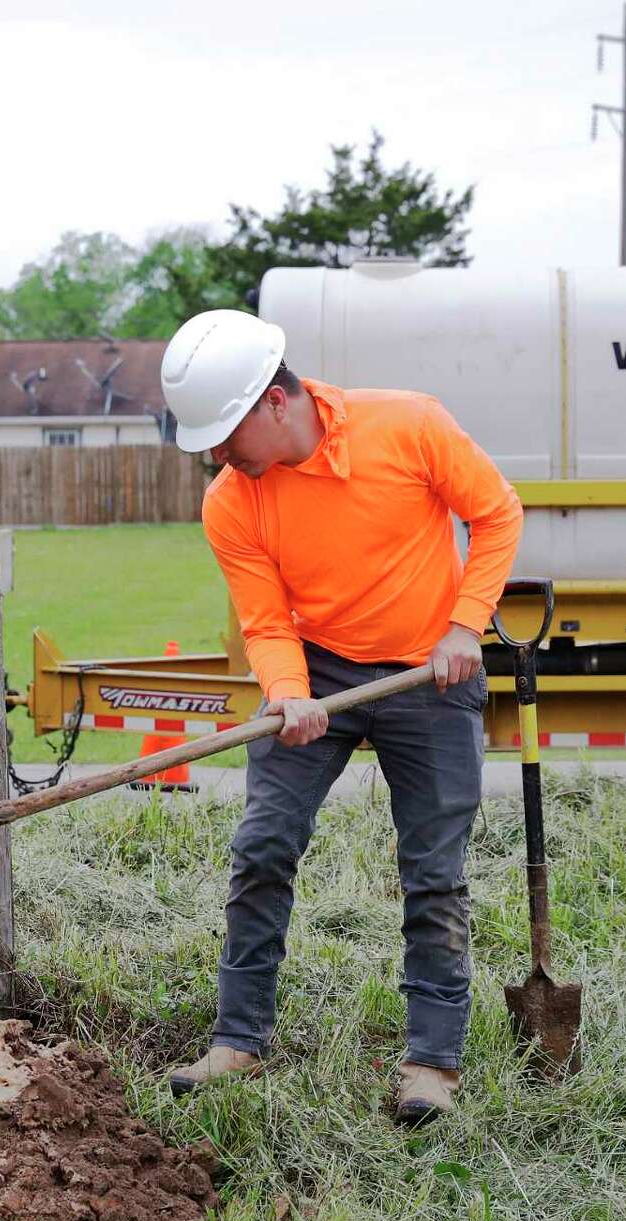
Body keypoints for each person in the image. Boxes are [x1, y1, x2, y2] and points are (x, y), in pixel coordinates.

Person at [158, 309, 523, 1126]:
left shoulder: (410, 426)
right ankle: (238, 1042)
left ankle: (432, 1062)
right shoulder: (231, 501)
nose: (219, 456)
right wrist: (289, 691)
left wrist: (466, 625)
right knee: (262, 848)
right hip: (318, 670)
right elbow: (265, 620)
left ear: (275, 402)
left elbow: (497, 513)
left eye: (226, 436)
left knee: (433, 871)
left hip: (430, 670)